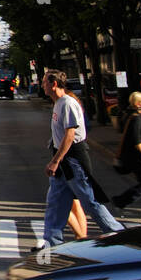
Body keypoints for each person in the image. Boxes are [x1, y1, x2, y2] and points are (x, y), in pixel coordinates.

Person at [37, 70, 124, 249]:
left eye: (45, 82)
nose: (42, 85)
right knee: (55, 203)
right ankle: (51, 242)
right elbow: (60, 134)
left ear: (54, 84)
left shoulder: (67, 103)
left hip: (73, 160)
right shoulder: (58, 103)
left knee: (90, 201)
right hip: (63, 162)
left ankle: (117, 234)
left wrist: (56, 160)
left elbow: (70, 134)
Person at [112, 92, 141, 225]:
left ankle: (121, 200)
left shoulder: (131, 117)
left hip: (137, 160)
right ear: (138, 105)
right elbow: (137, 140)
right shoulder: (137, 118)